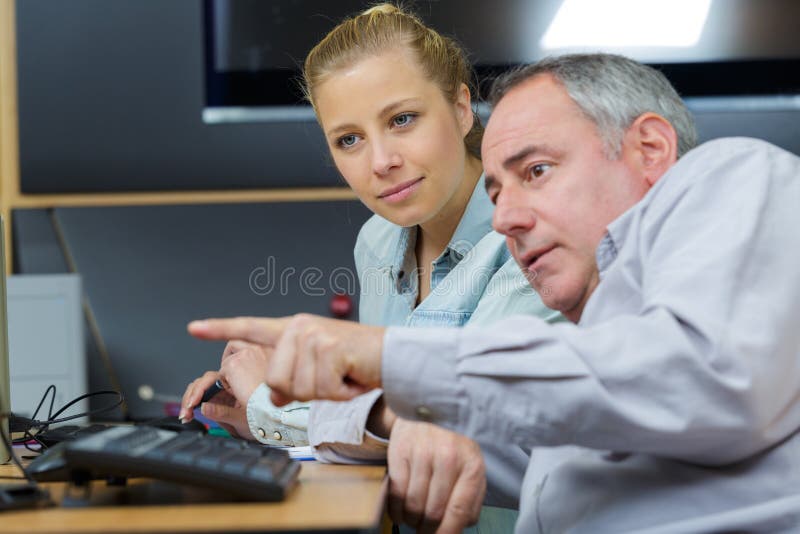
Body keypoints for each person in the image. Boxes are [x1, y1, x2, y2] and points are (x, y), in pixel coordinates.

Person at [187, 53, 800, 533]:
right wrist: (382, 409)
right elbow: (484, 431)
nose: (504, 218)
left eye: (536, 171)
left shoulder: (732, 174)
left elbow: (697, 376)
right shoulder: (594, 350)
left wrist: (385, 359)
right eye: (499, 192)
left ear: (650, 149)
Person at [180, 4, 558, 531]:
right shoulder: (378, 242)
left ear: (462, 107)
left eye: (402, 119)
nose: (380, 161)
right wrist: (266, 407)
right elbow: (389, 415)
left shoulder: (530, 235)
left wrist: (273, 405)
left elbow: (469, 431)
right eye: (349, 139)